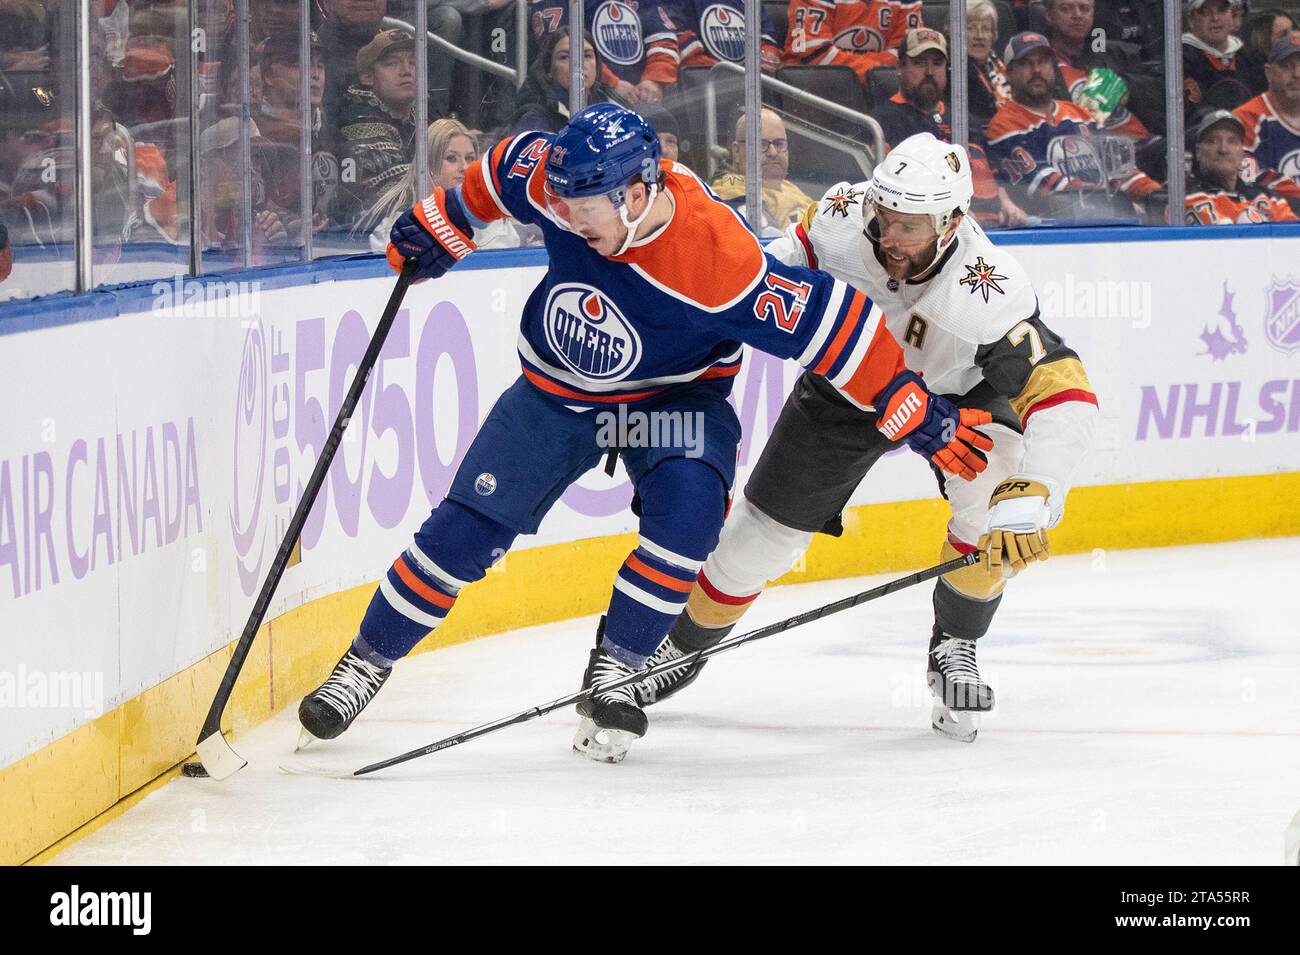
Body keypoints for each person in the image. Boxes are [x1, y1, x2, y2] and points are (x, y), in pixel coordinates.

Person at [297, 104, 993, 763]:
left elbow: (834, 322)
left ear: (635, 194)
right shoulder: (559, 182)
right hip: (560, 392)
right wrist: (445, 220)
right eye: (560, 202)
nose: (565, 217)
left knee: (690, 519)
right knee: (464, 530)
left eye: (584, 208)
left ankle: (619, 666)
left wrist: (915, 409)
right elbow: (501, 170)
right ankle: (364, 662)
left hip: (677, 398)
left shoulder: (718, 259)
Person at [633, 133, 1098, 743]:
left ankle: (954, 642)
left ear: (953, 222)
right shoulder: (842, 217)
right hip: (852, 386)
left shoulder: (989, 289)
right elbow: (769, 271)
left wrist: (1037, 492)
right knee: (758, 540)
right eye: (886, 218)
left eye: (910, 227)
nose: (890, 239)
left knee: (991, 517)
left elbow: (1065, 392)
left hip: (962, 400)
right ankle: (680, 650)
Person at [986, 32, 1162, 217]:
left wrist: (1154, 194)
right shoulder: (1004, 125)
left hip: (1105, 215)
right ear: (1009, 73)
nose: (1036, 70)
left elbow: (1119, 169)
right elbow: (1050, 186)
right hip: (1056, 230)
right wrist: (1117, 204)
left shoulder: (1079, 114)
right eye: (1025, 63)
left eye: (1043, 61)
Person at [874, 28, 1029, 227]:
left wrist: (1007, 204)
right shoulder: (883, 121)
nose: (929, 72)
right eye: (919, 63)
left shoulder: (963, 118)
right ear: (900, 67)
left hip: (996, 225)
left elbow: (991, 170)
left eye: (937, 64)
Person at [362, 116, 521, 249]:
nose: (465, 168)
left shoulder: (498, 228)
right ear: (428, 164)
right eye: (451, 158)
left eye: (470, 158)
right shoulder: (395, 232)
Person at [334, 28, 421, 228]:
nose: (406, 71)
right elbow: (397, 195)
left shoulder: (418, 116)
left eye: (413, 63)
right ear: (367, 76)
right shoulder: (358, 118)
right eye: (392, 64)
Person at [1043, 0, 1161, 140]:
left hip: (1147, 144)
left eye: (1085, 8)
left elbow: (1162, 94)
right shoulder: (1038, 64)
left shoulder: (1117, 54)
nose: (1077, 15)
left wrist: (1122, 84)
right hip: (1089, 151)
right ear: (1049, 16)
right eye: (1066, 9)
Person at [527, 0, 678, 104]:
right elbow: (561, 47)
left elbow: (663, 38)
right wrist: (612, 84)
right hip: (580, 100)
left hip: (640, 98)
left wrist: (653, 81)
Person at [711, 107, 814, 235]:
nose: (773, 152)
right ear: (737, 151)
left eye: (779, 143)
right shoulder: (733, 197)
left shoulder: (788, 187)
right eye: (761, 144)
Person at [1185, 108, 1297, 222]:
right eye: (1212, 141)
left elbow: (1293, 236)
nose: (1223, 149)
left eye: (1232, 141)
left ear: (1242, 153)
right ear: (1198, 152)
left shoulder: (1268, 197)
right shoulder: (1182, 195)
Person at [782, 0, 923, 87]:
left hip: (878, 92)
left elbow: (909, 54)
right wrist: (875, 72)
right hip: (813, 90)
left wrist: (873, 74)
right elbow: (811, 55)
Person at [506, 27, 620, 135]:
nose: (578, 64)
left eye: (587, 56)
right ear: (548, 69)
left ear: (597, 64)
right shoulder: (533, 118)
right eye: (564, 57)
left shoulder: (612, 102)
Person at [1233, 32, 1300, 204]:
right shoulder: (1246, 119)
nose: (1297, 74)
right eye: (1287, 66)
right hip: (1273, 220)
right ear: (1268, 73)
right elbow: (1249, 177)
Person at [1183, 0, 1258, 113]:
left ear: (1233, 16)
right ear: (1191, 20)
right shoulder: (1179, 60)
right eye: (1205, 12)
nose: (1215, 18)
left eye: (1222, 10)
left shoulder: (1250, 59)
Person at [672, 0, 782, 73]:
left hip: (747, 85)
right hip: (704, 88)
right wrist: (725, 74)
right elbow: (679, 38)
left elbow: (766, 34)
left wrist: (768, 54)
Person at [966, 0, 1012, 136]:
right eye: (971, 28)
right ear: (954, 33)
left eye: (986, 29)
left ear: (994, 35)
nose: (979, 36)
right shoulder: (953, 72)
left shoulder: (997, 63)